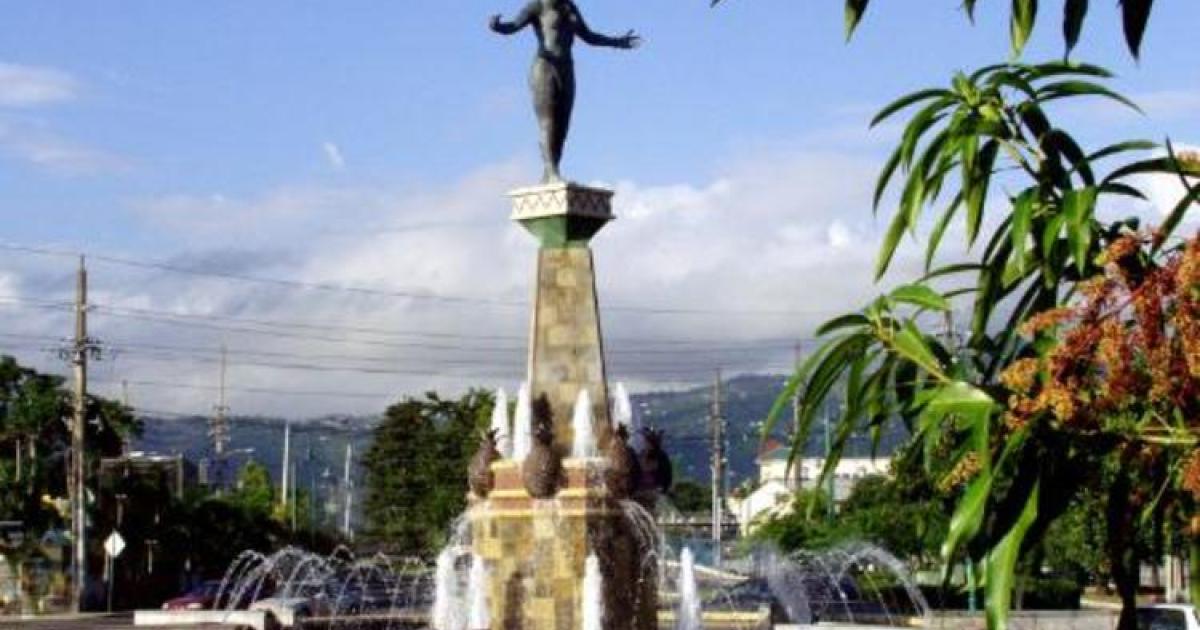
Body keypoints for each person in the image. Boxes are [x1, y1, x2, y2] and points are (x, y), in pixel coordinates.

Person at [490, 0, 640, 182]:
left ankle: (549, 173)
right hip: (546, 66)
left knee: (563, 125)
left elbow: (589, 36)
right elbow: (513, 26)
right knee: (549, 121)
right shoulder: (537, 6)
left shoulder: (569, 6)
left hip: (566, 68)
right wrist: (497, 26)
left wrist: (617, 42)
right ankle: (552, 171)